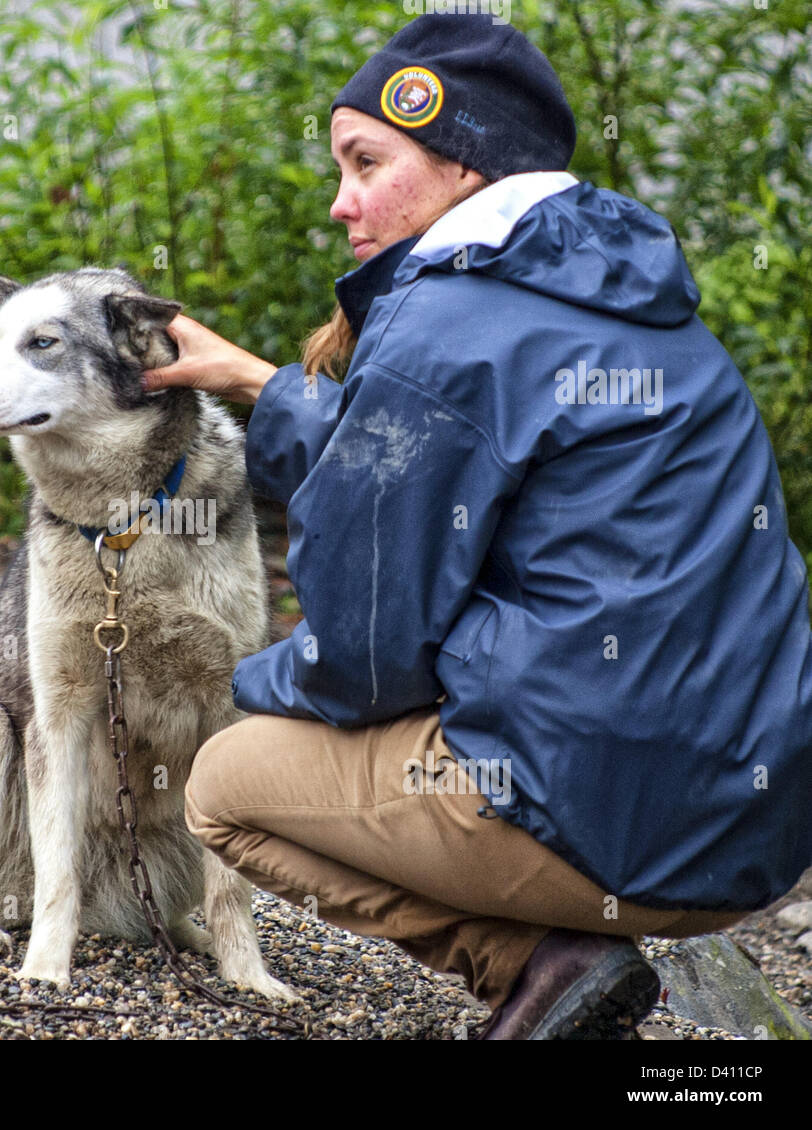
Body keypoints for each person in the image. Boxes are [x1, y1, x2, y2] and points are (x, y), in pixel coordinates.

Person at [140, 12, 812, 1039]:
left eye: (365, 163)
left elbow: (361, 661)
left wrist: (244, 679)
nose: (339, 202)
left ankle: (540, 965)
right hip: (750, 835)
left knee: (226, 779)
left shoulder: (441, 325)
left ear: (463, 164)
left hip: (601, 831)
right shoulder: (629, 299)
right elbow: (449, 448)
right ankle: (562, 962)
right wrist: (262, 385)